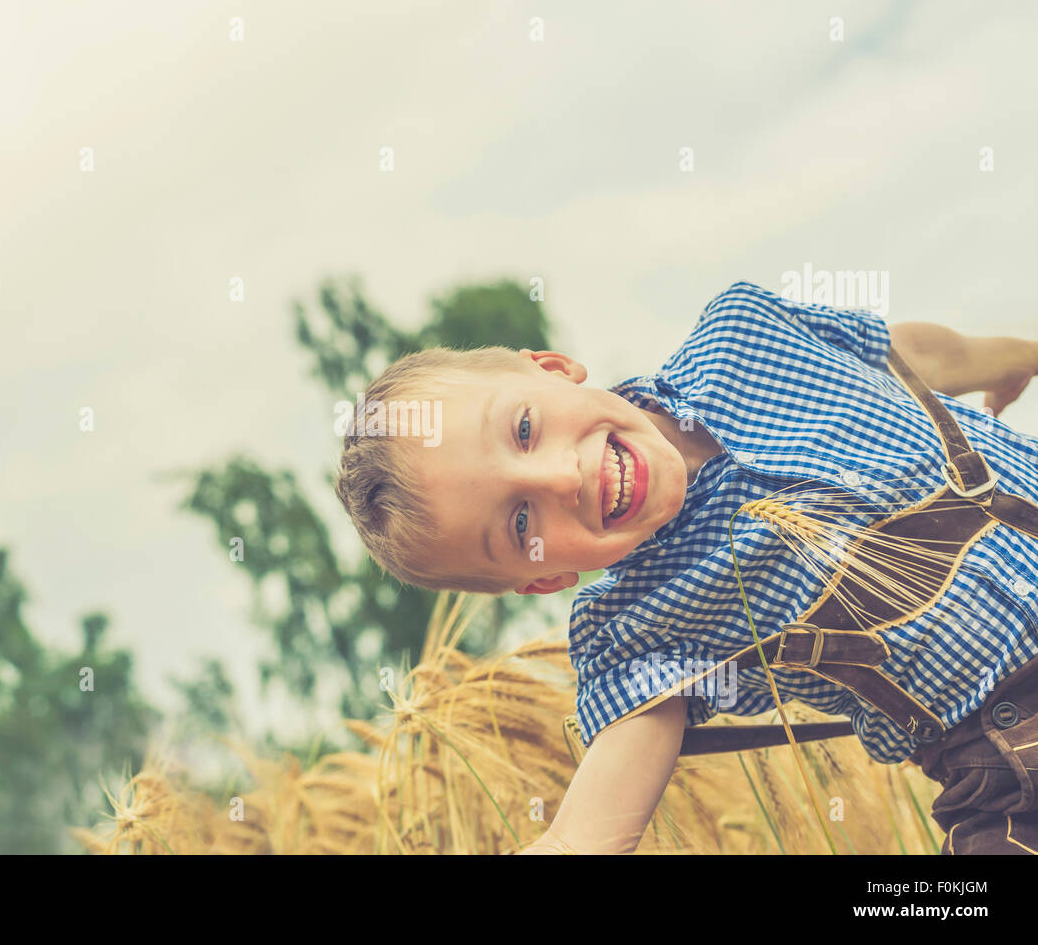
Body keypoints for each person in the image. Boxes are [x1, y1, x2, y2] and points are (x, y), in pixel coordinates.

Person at [334, 280, 1038, 854]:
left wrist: (1013, 355)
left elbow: (905, 354)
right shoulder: (635, 631)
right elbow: (586, 835)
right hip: (1014, 760)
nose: (560, 479)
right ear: (545, 577)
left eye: (524, 429)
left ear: (550, 368)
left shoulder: (743, 332)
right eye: (520, 523)